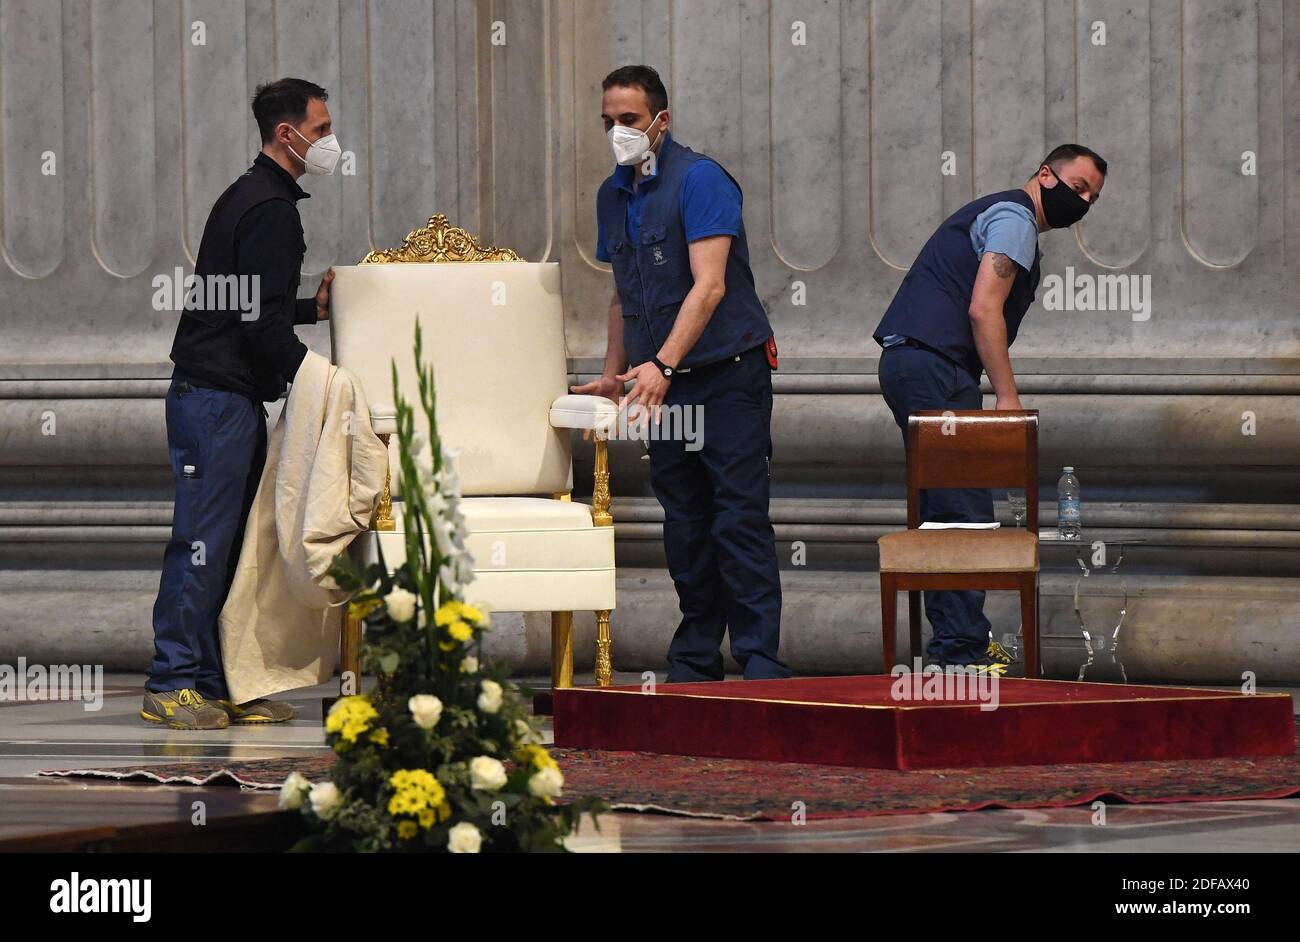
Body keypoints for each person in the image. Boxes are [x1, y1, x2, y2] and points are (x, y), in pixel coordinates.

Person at [573, 65, 791, 683]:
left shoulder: (701, 180)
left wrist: (665, 363)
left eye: (630, 121)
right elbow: (622, 297)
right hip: (657, 383)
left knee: (738, 516)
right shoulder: (610, 194)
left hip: (726, 374)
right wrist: (614, 376)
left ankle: (759, 658)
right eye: (609, 122)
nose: (619, 132)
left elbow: (711, 284)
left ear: (661, 121)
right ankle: (697, 654)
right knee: (685, 522)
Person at [143, 78, 340, 728]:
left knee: (227, 548)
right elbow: (259, 329)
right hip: (216, 402)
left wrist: (313, 307)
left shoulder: (257, 197)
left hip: (224, 397)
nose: (329, 142)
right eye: (321, 129)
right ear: (286, 136)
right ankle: (171, 681)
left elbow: (257, 308)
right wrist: (320, 381)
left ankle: (215, 681)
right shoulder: (270, 210)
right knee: (202, 543)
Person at [873, 144, 1107, 673]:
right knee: (962, 510)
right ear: (1044, 175)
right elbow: (984, 309)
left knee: (945, 510)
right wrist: (1007, 397)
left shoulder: (1004, 215)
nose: (1085, 200)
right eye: (1077, 186)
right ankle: (961, 652)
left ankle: (956, 646)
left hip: (919, 363)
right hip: (935, 365)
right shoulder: (1016, 219)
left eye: (1092, 196)